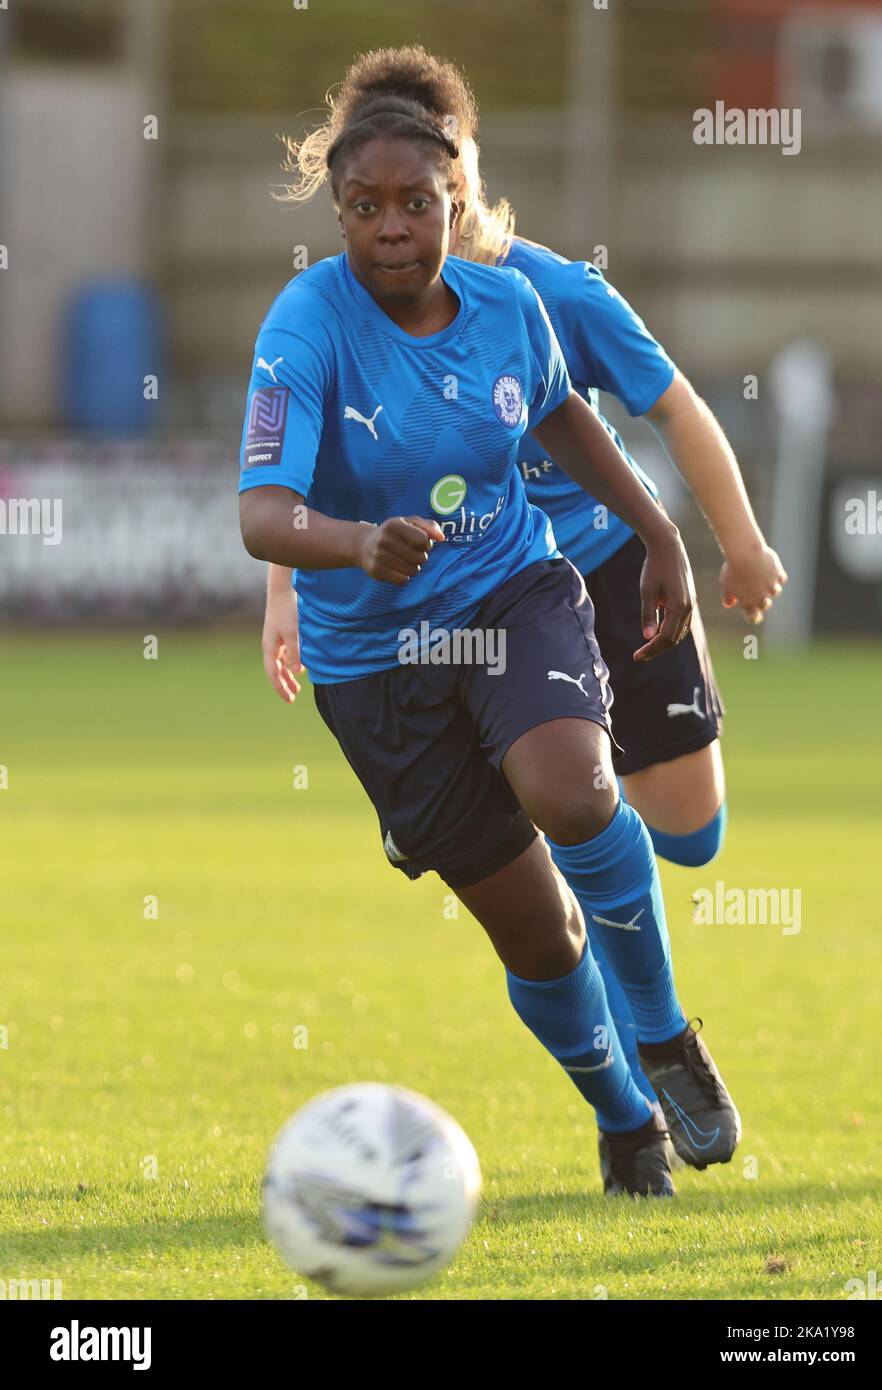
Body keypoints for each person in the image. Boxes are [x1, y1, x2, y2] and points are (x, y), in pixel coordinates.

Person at [260, 46, 785, 1163]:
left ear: (459, 192)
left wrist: (670, 535)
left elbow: (578, 417)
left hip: (516, 585)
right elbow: (268, 505)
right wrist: (333, 558)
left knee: (588, 794)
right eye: (367, 205)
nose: (393, 224)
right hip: (374, 656)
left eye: (417, 200)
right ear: (340, 207)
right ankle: (621, 1115)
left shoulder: (526, 296)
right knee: (539, 934)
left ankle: (662, 1034)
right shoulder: (302, 326)